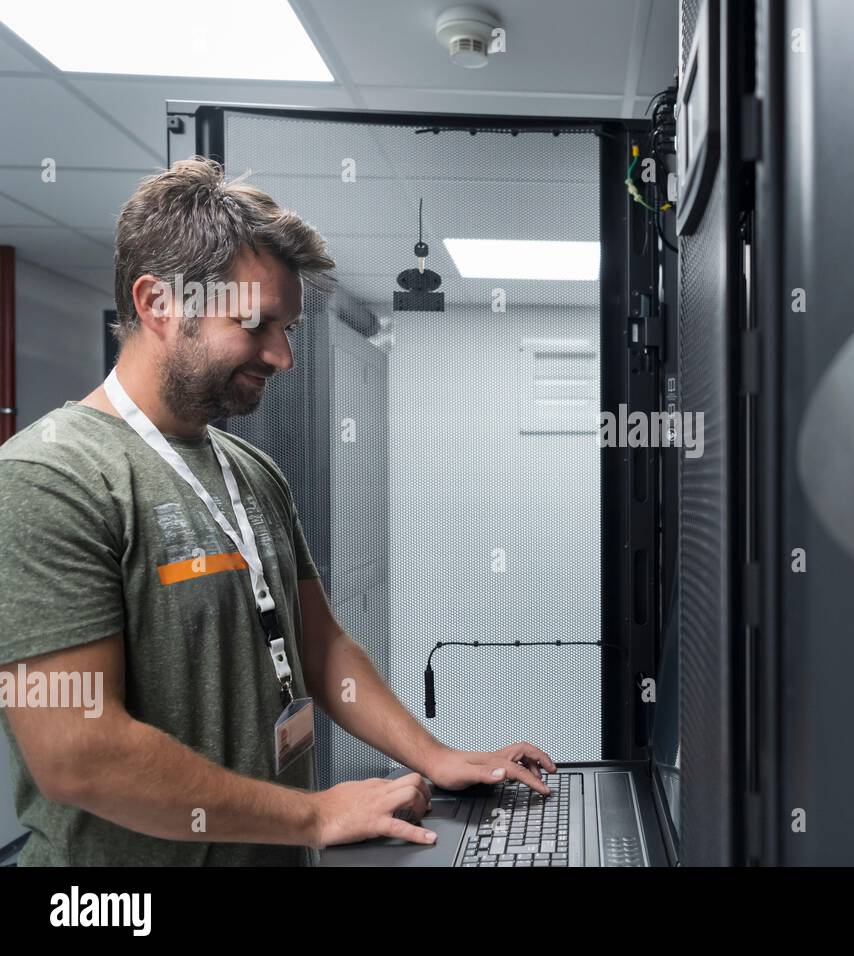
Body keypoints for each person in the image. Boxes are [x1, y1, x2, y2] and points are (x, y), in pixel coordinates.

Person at [0, 157, 555, 866]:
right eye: (258, 324)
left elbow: (320, 648)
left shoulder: (250, 470)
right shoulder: (51, 478)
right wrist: (315, 814)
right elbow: (78, 753)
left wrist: (436, 757)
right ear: (156, 303)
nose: (282, 356)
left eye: (287, 329)